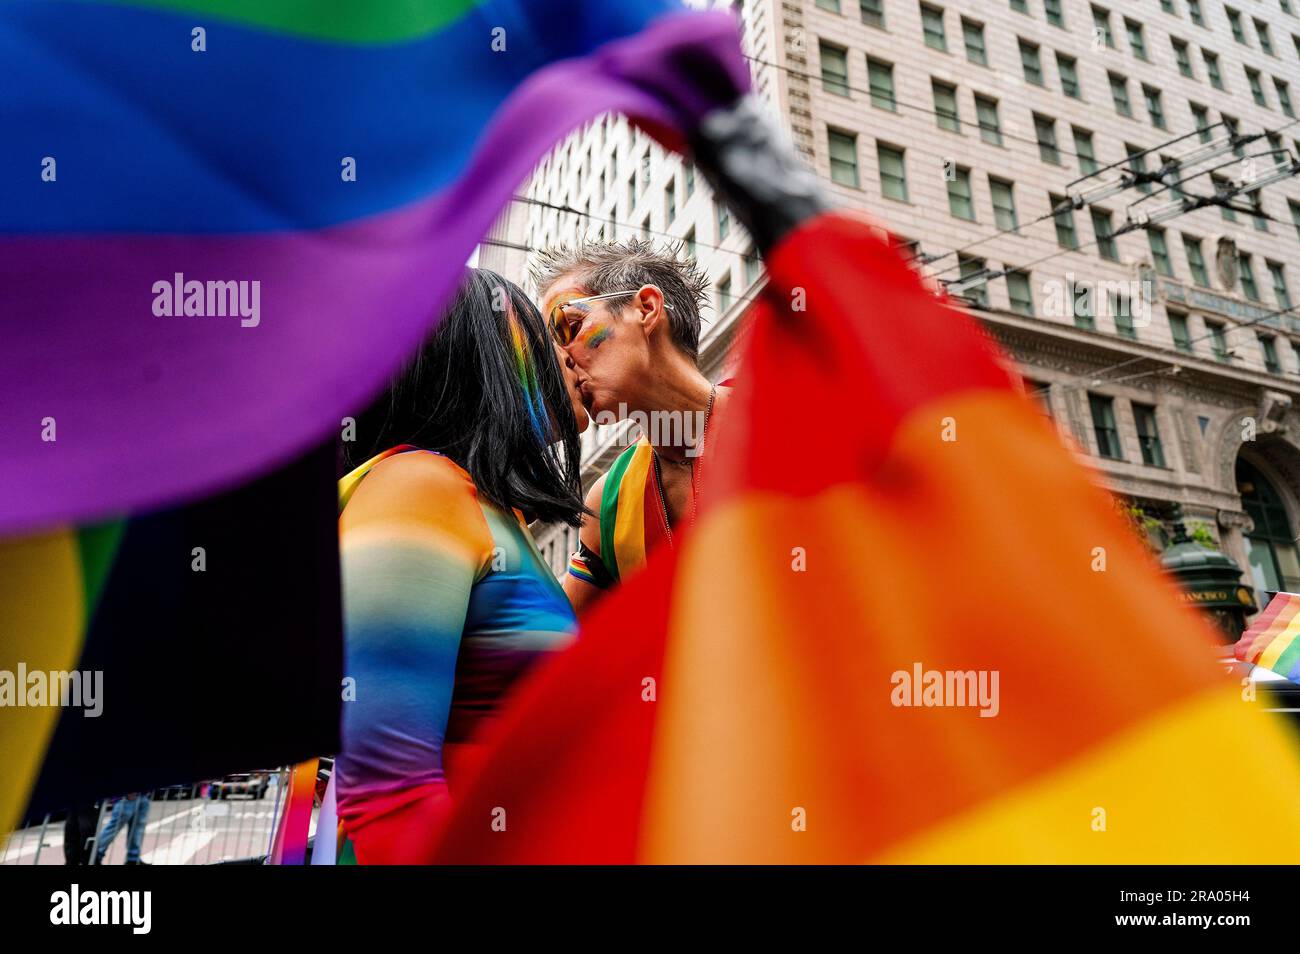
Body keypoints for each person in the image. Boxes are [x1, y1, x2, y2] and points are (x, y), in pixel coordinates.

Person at [333, 268, 589, 864]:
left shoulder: (494, 511)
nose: (571, 353)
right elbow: (385, 796)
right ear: (488, 350)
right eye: (546, 330)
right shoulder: (418, 487)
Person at [534, 239, 732, 614]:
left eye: (568, 327)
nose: (562, 361)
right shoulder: (608, 501)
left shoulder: (792, 415)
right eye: (550, 349)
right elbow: (549, 639)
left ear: (646, 308)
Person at [93, 792, 151, 865]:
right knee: (112, 829)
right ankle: (95, 855)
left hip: (142, 795)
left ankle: (133, 859)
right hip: (125, 797)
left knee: (137, 830)